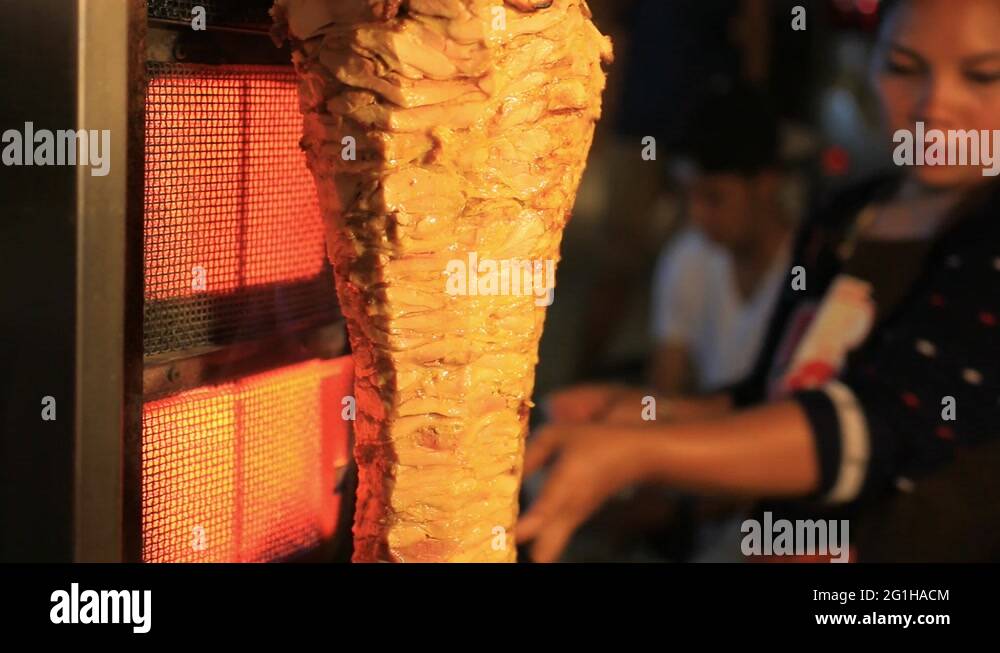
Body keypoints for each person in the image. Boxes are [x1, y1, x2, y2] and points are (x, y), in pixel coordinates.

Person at [519, 0, 1000, 563]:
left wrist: (641, 453)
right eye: (902, 67)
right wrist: (643, 411)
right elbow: (781, 393)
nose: (934, 105)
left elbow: (878, 424)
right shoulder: (845, 217)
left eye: (983, 76)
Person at [651, 86, 793, 397]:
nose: (697, 214)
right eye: (689, 196)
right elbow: (666, 387)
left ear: (766, 185)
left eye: (713, 198)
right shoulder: (688, 258)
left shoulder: (809, 271)